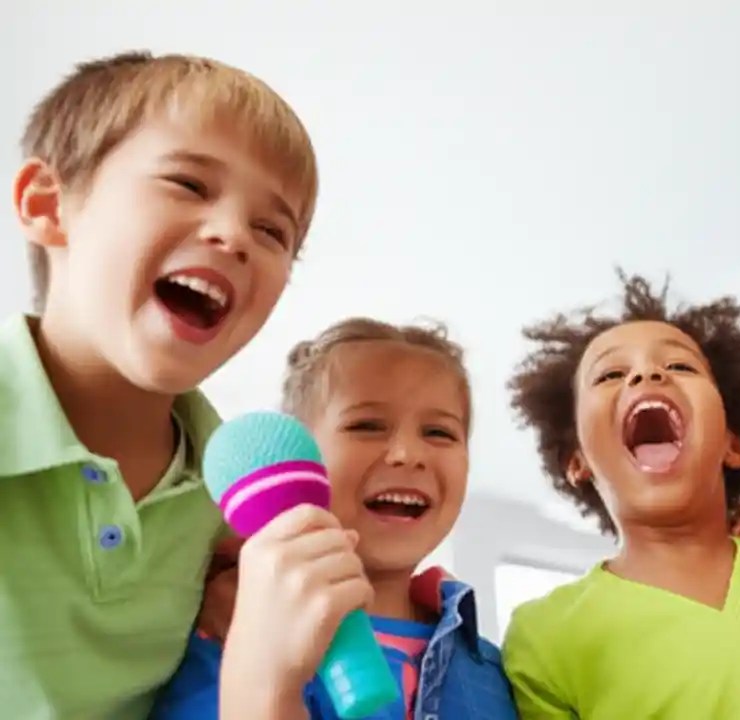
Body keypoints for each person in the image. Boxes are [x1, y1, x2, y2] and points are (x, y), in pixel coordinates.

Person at [0, 50, 316, 718]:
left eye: (272, 230)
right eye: (188, 185)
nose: (234, 236)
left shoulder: (232, 511)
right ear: (47, 204)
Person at [502, 273, 740, 719]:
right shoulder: (542, 634)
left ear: (733, 442)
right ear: (577, 459)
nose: (647, 373)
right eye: (611, 373)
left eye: (680, 367)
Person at [153, 317, 519, 719]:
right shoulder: (232, 639)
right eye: (367, 426)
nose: (407, 454)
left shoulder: (495, 670)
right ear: (298, 457)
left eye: (440, 433)